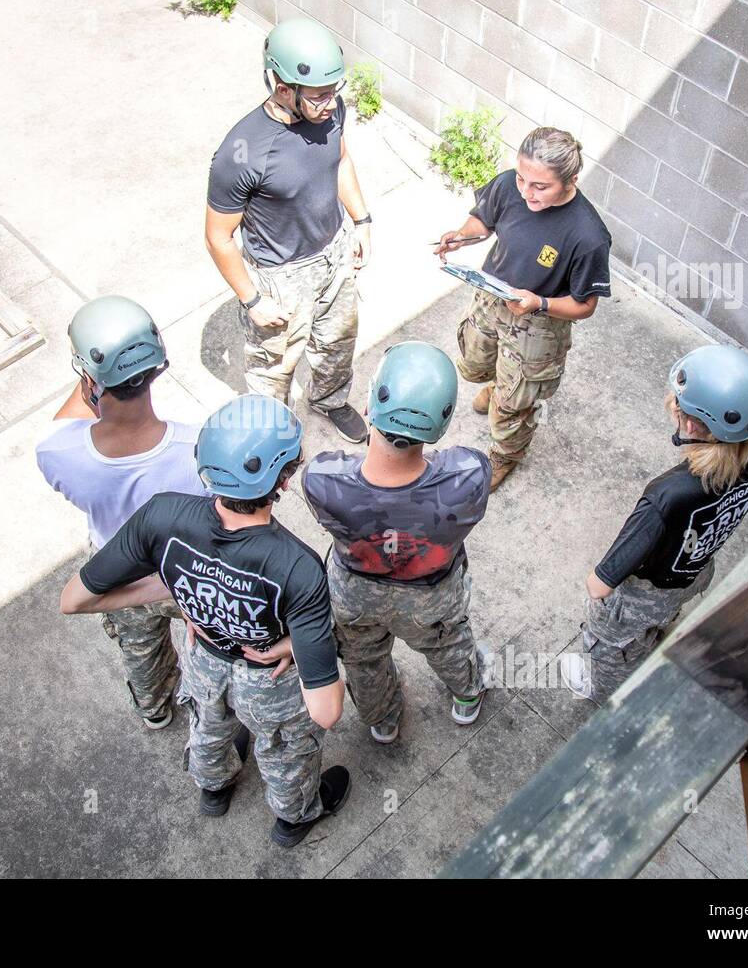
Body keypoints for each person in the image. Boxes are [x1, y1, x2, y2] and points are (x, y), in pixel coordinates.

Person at [60, 394, 352, 847]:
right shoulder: (298, 566)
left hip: (204, 661)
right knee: (286, 748)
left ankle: (214, 789)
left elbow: (74, 599)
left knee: (209, 727)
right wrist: (298, 644)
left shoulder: (162, 514)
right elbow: (326, 711)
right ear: (282, 481)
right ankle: (293, 818)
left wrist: (184, 594)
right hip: (269, 679)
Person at [558, 344, 748, 701]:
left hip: (646, 593)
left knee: (614, 646)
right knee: (663, 617)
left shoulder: (667, 496)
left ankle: (603, 689)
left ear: (689, 423)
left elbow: (599, 586)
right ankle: (654, 636)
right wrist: (741, 499)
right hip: (695, 570)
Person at [303, 342, 493, 742]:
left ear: (371, 407)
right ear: (440, 424)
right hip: (432, 594)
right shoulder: (468, 477)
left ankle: (382, 720)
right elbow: (465, 462)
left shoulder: (324, 480)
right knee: (448, 644)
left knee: (363, 659)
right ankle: (467, 696)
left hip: (355, 595)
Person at [36, 295, 205, 730]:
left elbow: (69, 418)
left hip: (115, 572)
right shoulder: (200, 450)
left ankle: (154, 709)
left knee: (139, 649)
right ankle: (206, 707)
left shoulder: (57, 451)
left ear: (91, 380)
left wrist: (91, 373)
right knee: (205, 647)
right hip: (183, 575)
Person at [206, 17, 372, 445]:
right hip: (280, 274)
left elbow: (341, 160)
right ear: (283, 88)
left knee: (338, 342)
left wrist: (361, 221)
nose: (330, 103)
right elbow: (218, 236)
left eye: (334, 91)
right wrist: (253, 299)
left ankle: (330, 400)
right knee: (272, 364)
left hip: (334, 252)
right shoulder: (242, 153)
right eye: (318, 95)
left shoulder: (332, 110)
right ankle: (270, 430)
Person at [435, 126, 612, 490]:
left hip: (539, 322)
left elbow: (585, 304)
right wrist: (462, 235)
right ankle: (499, 384)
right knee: (472, 365)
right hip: (491, 295)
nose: (526, 192)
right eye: (522, 178)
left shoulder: (589, 235)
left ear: (571, 179)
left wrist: (539, 303)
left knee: (515, 404)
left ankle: (505, 455)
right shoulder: (509, 186)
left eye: (540, 186)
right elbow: (484, 222)